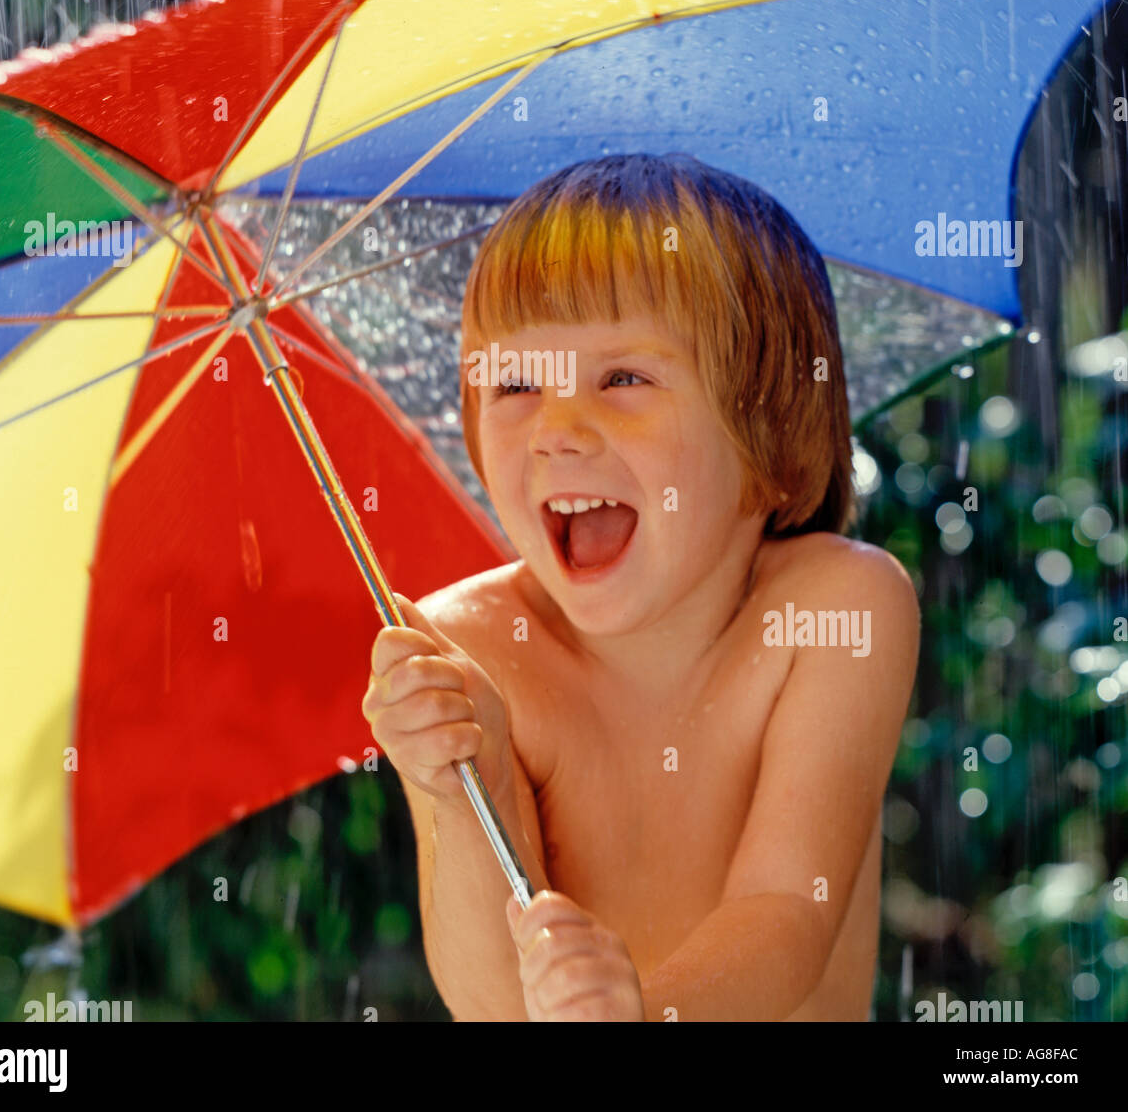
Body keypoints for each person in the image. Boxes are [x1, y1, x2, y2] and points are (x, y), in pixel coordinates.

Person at [361, 153, 919, 1021]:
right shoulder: (468, 651)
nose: (555, 430)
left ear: (767, 422)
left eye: (623, 378)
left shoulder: (836, 609)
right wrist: (468, 789)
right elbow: (494, 1006)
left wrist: (647, 1014)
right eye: (513, 383)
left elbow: (788, 911)